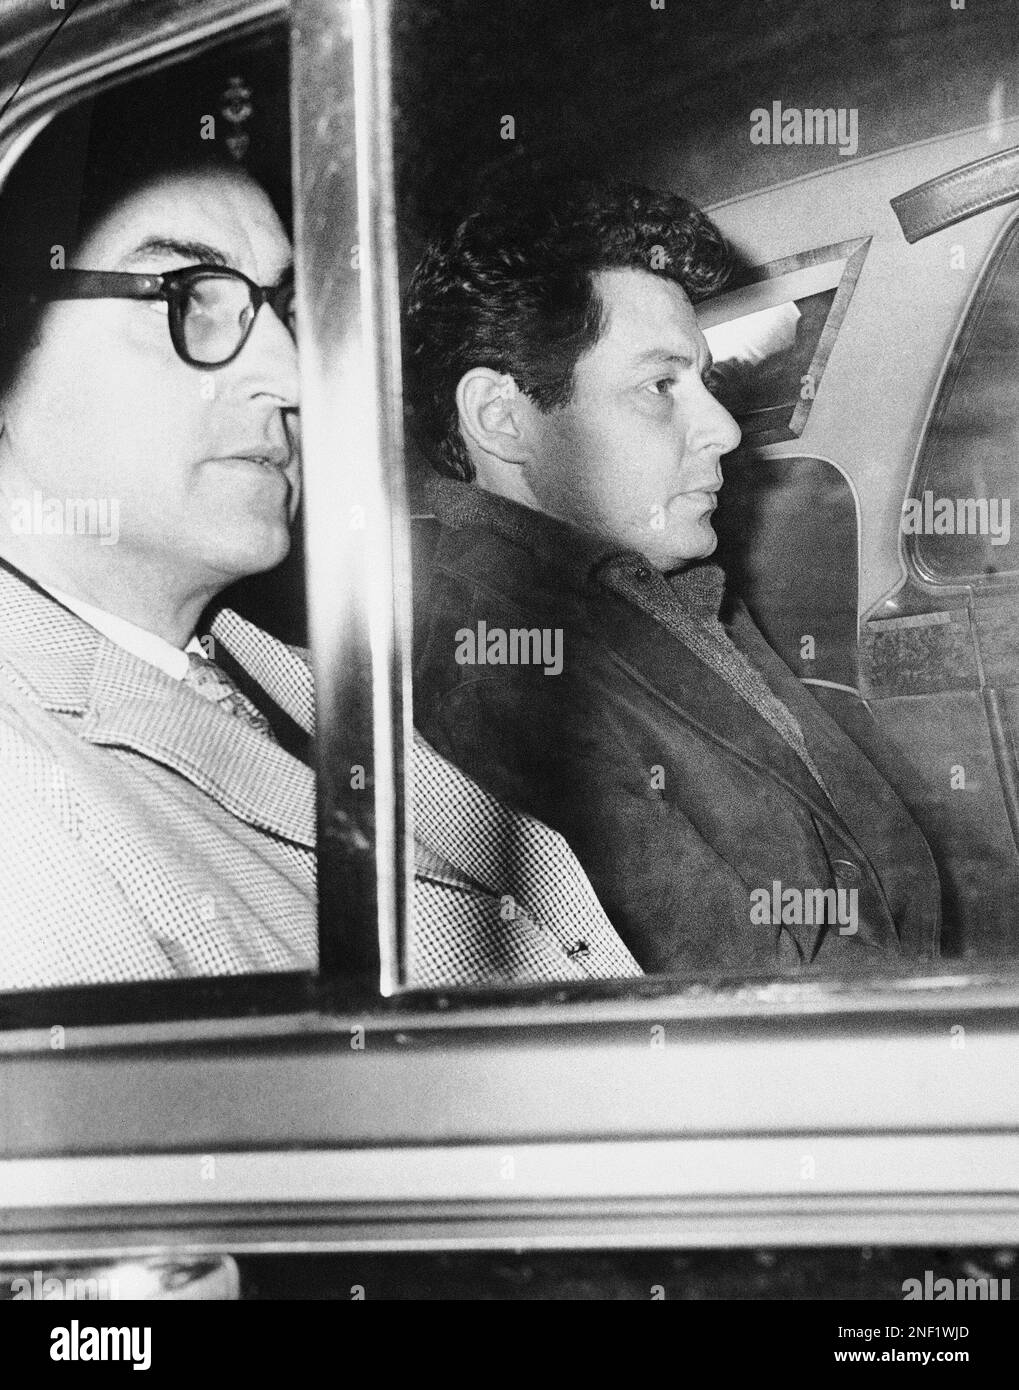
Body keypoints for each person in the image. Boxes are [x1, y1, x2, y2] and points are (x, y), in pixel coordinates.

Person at [0, 103, 640, 990]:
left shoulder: (282, 672)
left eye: (283, 309)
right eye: (190, 297)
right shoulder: (25, 803)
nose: (293, 373)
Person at [405, 178, 941, 974]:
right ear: (502, 418)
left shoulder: (656, 593)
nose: (722, 429)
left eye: (704, 381)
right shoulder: (491, 670)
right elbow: (730, 1027)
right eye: (660, 387)